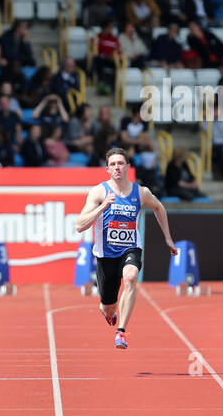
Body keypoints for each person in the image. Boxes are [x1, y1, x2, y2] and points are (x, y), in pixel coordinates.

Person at [74, 146, 179, 349]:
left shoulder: (141, 192)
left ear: (128, 167)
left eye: (120, 163)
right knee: (108, 307)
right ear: (107, 169)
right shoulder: (98, 191)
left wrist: (167, 237)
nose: (117, 168)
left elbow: (159, 207)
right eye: (112, 164)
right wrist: (102, 206)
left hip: (130, 247)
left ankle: (121, 332)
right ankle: (109, 312)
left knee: (131, 277)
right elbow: (80, 225)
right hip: (106, 255)